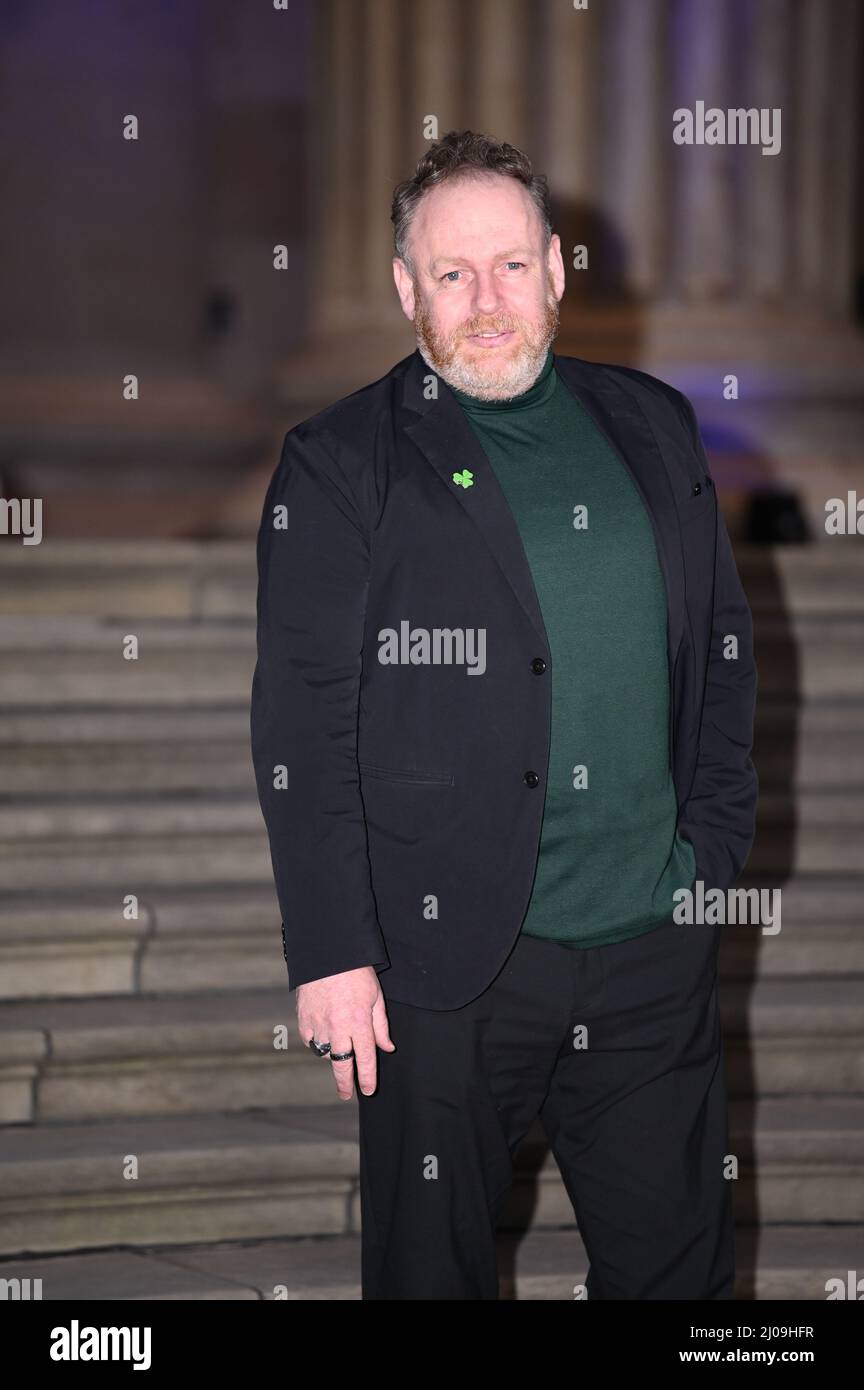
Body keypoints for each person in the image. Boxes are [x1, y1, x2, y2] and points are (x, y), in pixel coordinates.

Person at [250, 130, 758, 1300]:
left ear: (558, 268)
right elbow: (302, 723)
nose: (486, 301)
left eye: (511, 266)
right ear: (404, 287)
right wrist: (333, 947)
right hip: (447, 971)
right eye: (451, 273)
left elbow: (724, 655)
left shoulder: (657, 425)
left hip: (647, 950)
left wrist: (706, 861)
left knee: (682, 1282)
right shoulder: (339, 463)